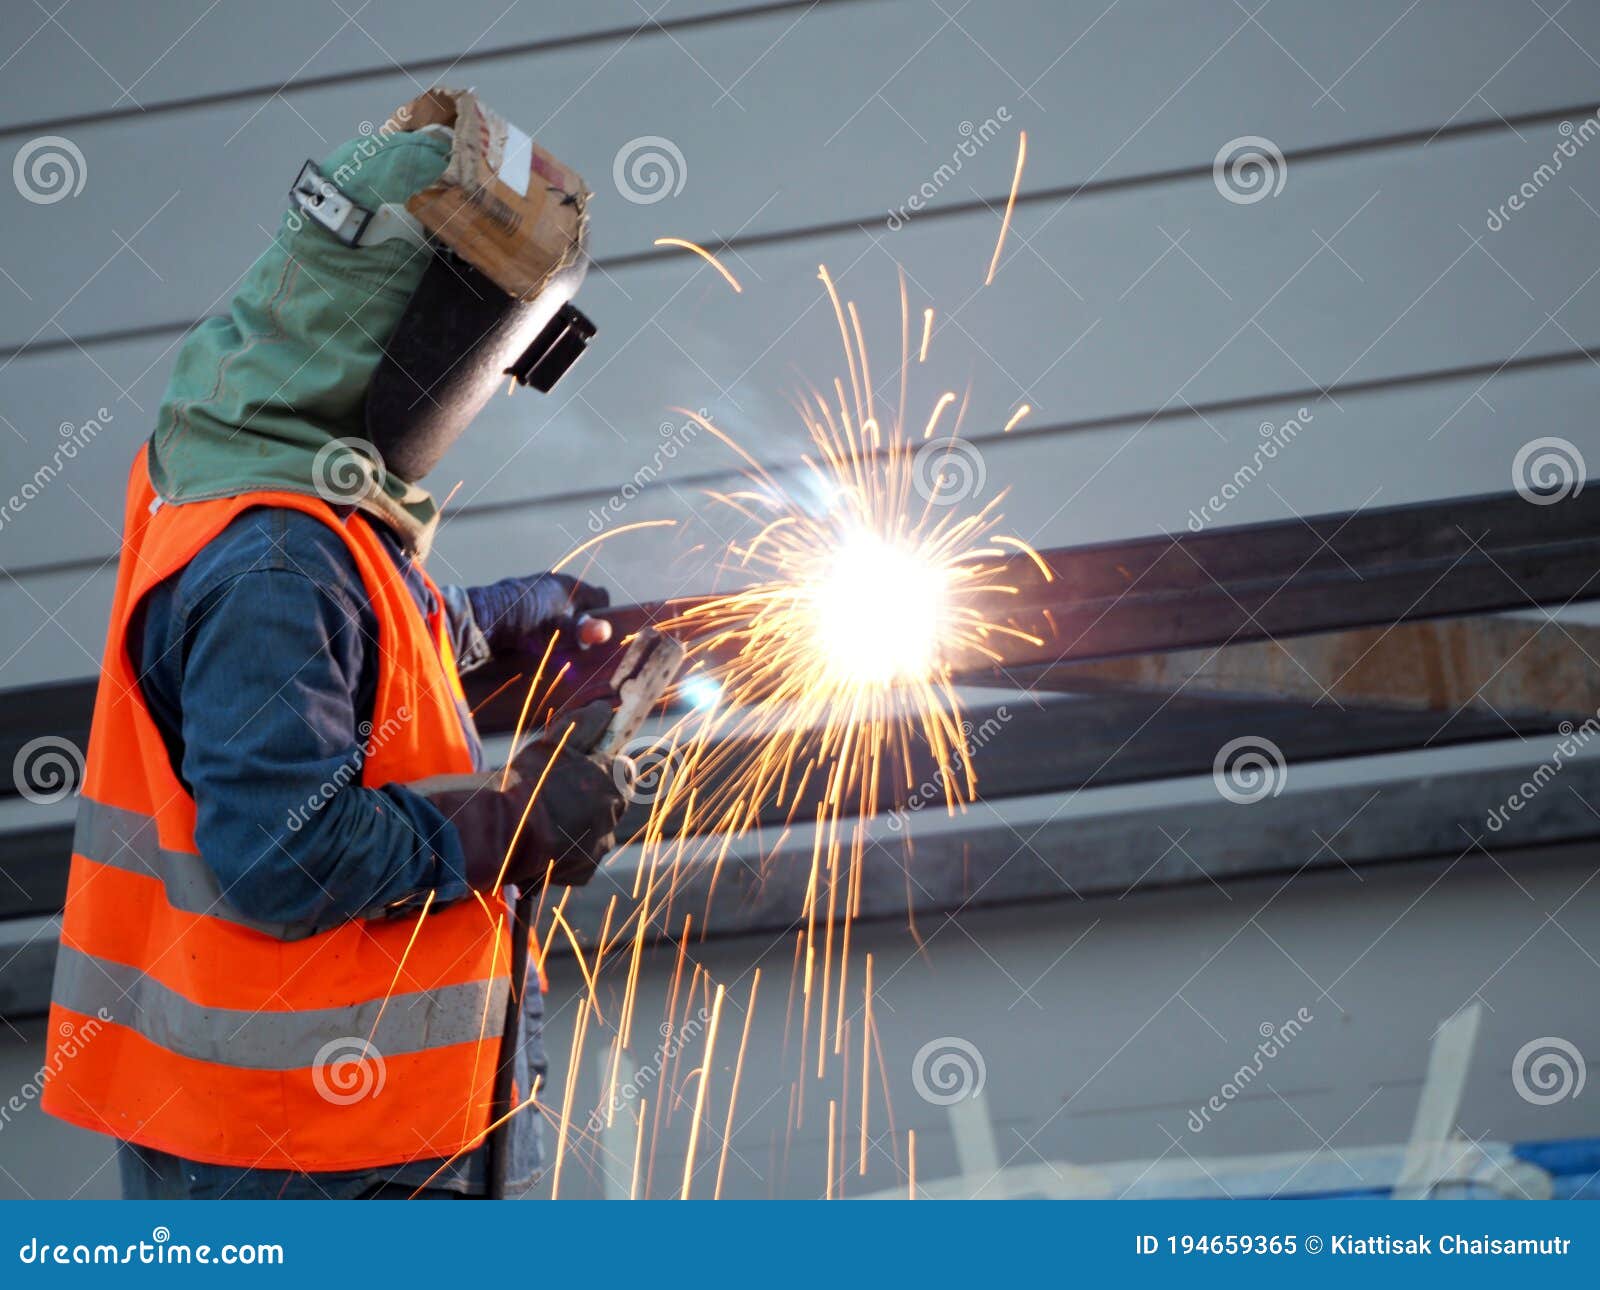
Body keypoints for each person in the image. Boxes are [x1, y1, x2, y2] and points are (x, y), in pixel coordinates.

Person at [40, 89, 621, 1199]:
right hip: (303, 1157)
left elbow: (338, 664)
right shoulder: (274, 561)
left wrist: (509, 616)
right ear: (419, 336)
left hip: (304, 1134)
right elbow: (282, 850)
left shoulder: (242, 469)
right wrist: (513, 823)